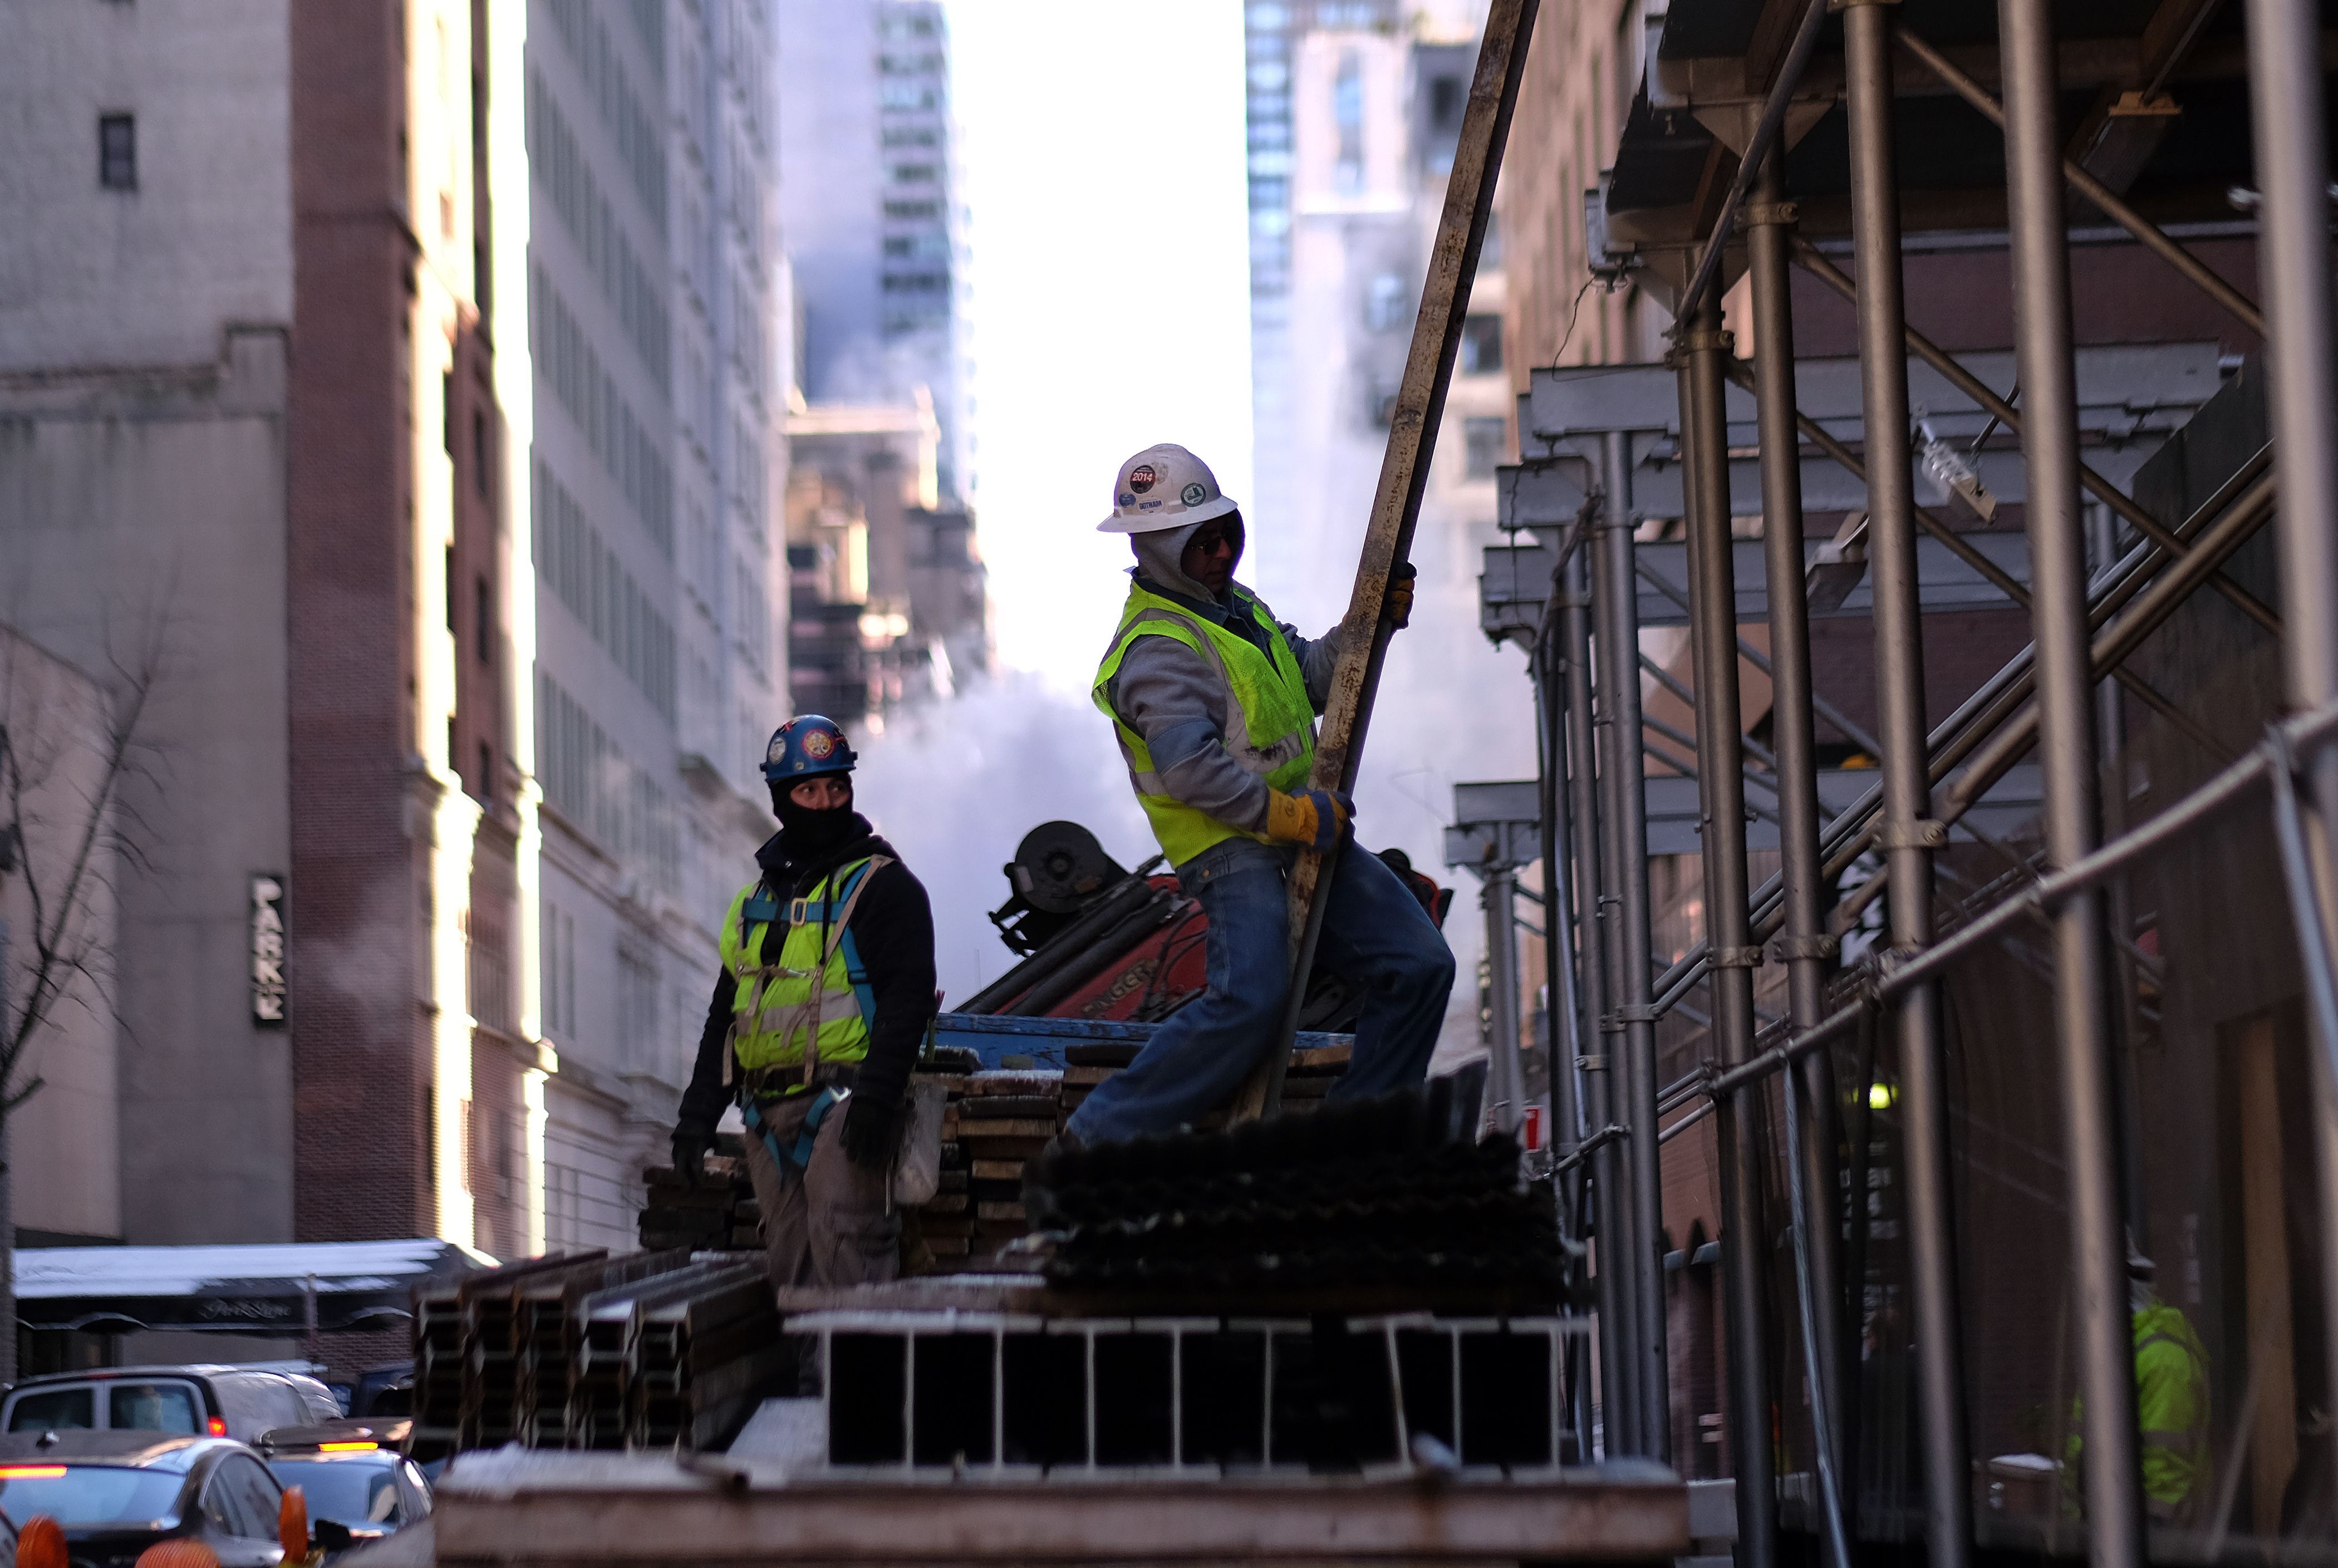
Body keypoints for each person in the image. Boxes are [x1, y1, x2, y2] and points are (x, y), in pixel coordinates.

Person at [1068, 443, 1455, 1144]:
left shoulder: (1237, 610)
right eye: (1201, 543)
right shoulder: (1155, 650)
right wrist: (1291, 818)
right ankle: (1099, 1133)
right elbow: (1192, 771)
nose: (1220, 554)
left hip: (1301, 827)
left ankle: (1356, 1142)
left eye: (1226, 535)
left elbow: (1312, 677)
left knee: (1421, 965)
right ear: (1156, 550)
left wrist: (1370, 629)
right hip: (1234, 849)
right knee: (1251, 1001)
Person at [671, 716, 937, 1289]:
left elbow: (907, 999)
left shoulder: (884, 887)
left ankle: (857, 1380)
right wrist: (696, 1119)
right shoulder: (752, 906)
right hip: (766, 1113)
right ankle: (811, 1377)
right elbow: (727, 1021)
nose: (825, 803)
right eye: (808, 790)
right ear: (780, 800)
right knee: (791, 1265)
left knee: (849, 1249)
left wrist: (876, 1098)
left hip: (846, 1104)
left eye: (837, 787)